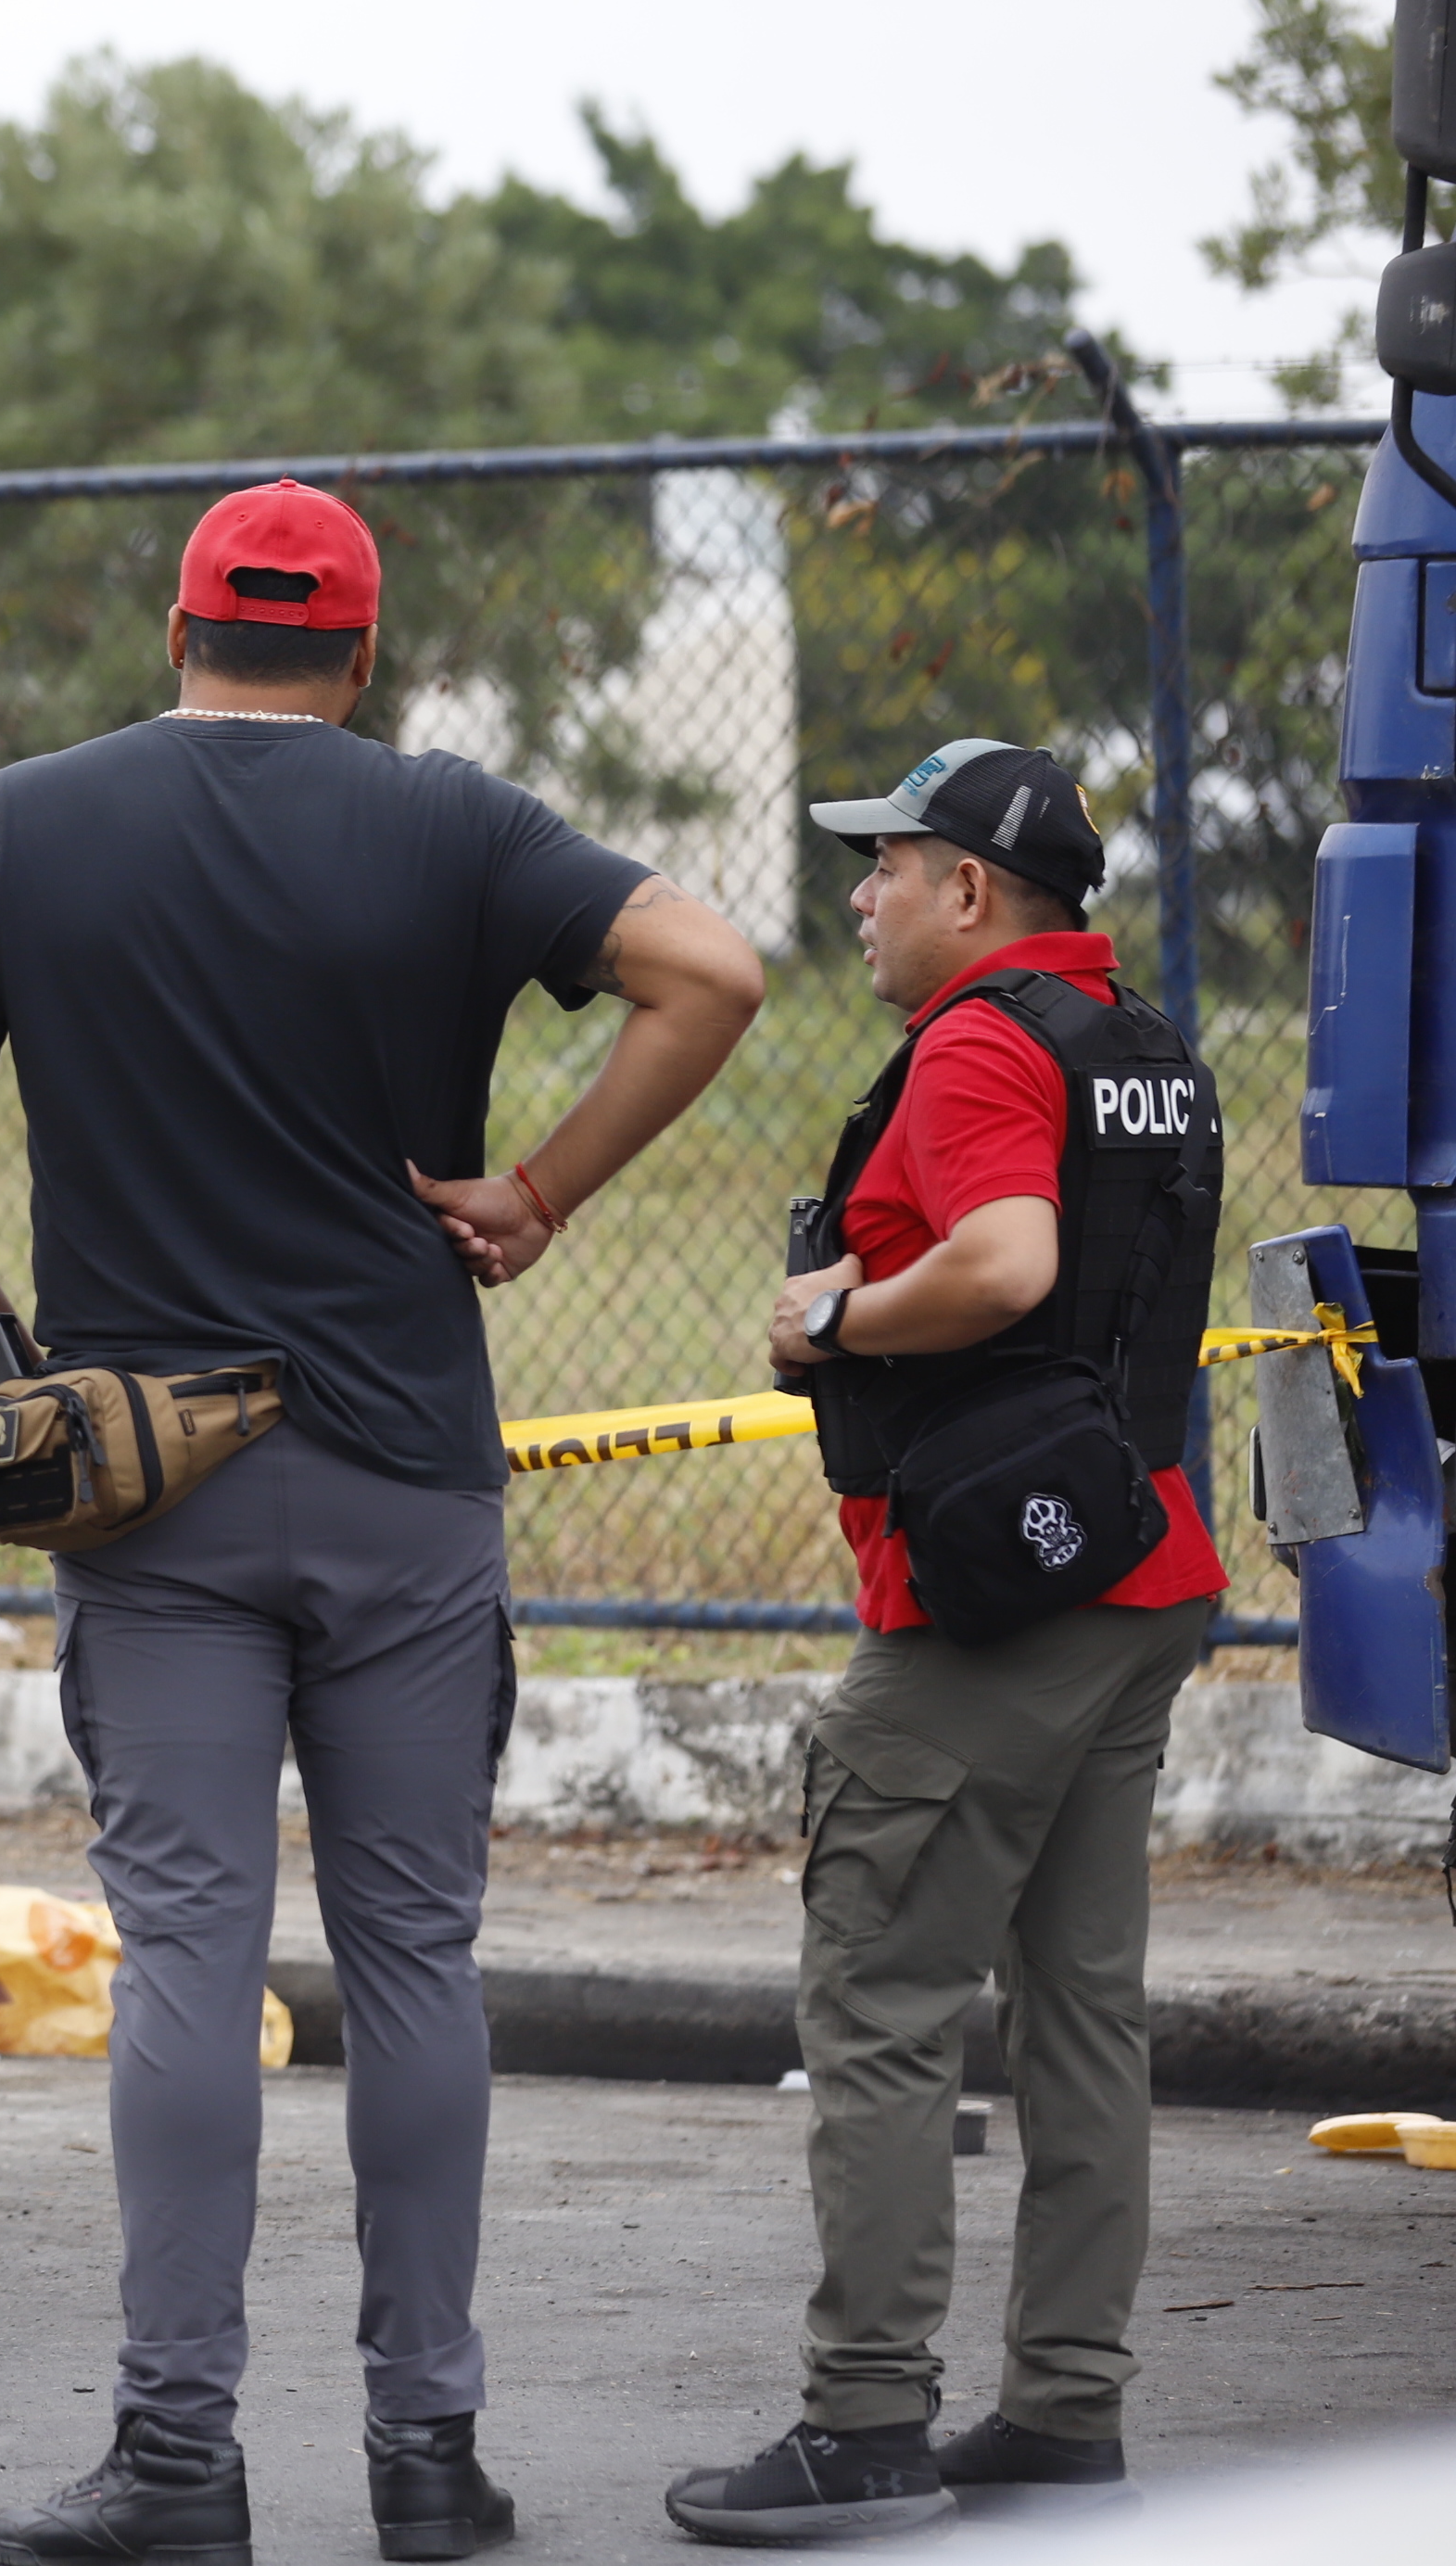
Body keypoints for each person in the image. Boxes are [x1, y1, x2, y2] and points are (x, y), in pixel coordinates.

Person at [0, 478, 764, 2565]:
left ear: (177, 635)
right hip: (409, 1472)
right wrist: (541, 1190)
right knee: (417, 1960)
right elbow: (708, 968)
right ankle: (427, 2462)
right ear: (358, 653)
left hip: (154, 1492)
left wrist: (16, 1371)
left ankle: (177, 2461)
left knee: (180, 1955)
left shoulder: (25, 823)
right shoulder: (452, 823)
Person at [662, 742, 1222, 2545]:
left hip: (991, 1604)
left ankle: (865, 2421)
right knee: (1082, 2016)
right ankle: (1062, 2411)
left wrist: (833, 1313)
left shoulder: (984, 1039)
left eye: (882, 864)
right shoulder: (1146, 1050)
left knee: (881, 2001)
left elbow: (1001, 1265)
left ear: (969, 891)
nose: (857, 895)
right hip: (1141, 1565)